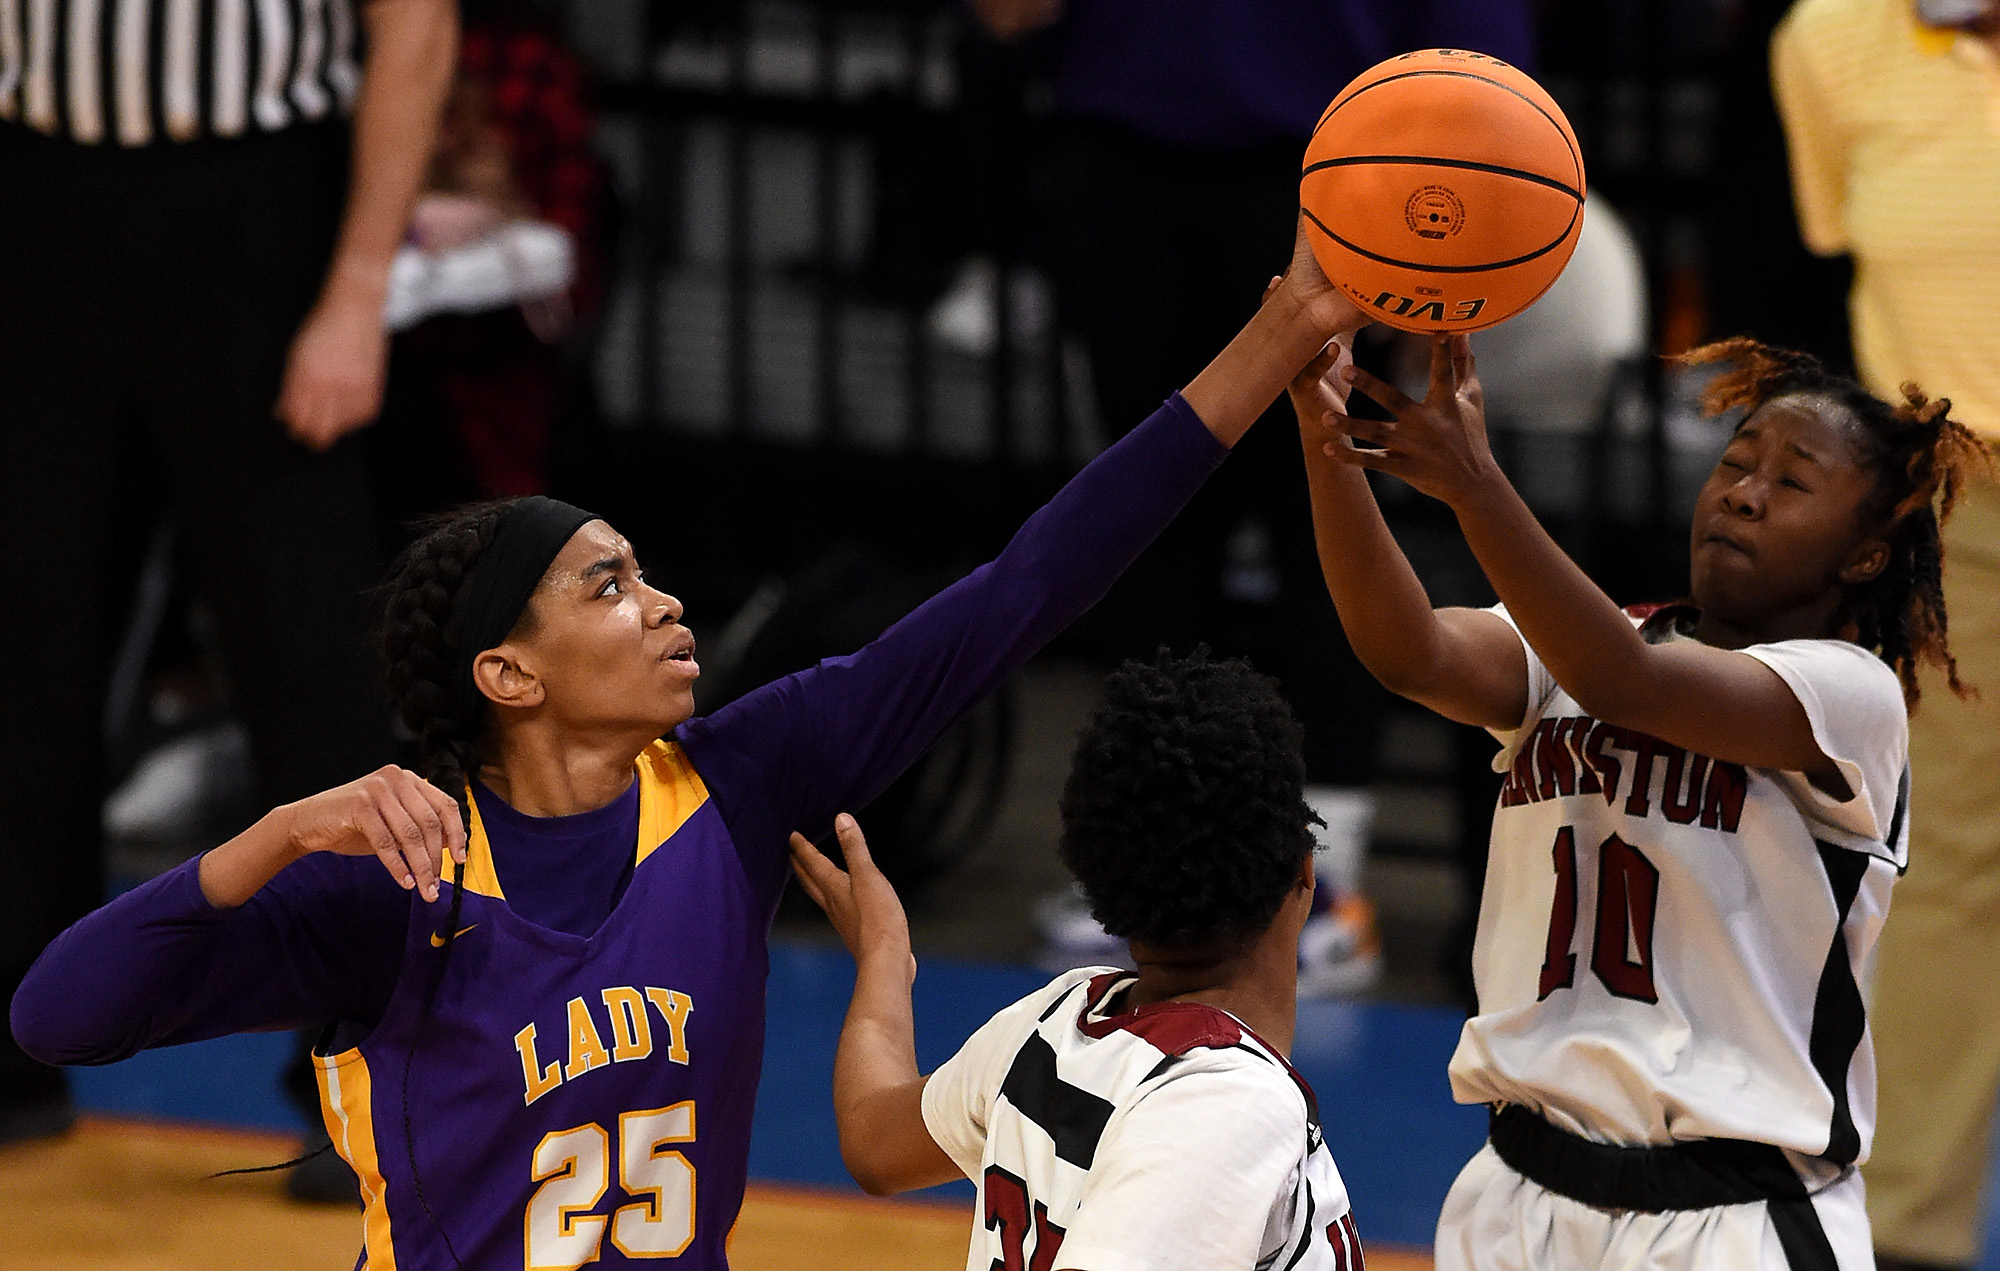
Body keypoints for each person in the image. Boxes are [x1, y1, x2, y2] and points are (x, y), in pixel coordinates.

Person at [8, 227, 1366, 1269]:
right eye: (606, 585)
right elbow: (56, 1016)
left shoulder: (738, 780)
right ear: (509, 673)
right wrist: (273, 834)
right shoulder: (397, 874)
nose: (661, 602)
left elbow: (1025, 589)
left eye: (645, 571)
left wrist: (1275, 335)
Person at [1286, 331, 1988, 1267]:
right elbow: (1409, 652)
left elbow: (1628, 686)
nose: (1743, 492)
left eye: (1791, 482)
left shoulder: (1848, 696)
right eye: (1736, 463)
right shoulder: (1584, 640)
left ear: (1864, 557)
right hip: (1519, 1197)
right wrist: (1326, 443)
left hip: (1731, 1220)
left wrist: (1477, 485)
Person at [972, 0, 1538, 987]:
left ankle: (1325, 874)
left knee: (1332, 512)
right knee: (1145, 523)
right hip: (1121, 148)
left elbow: (1482, 43)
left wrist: (1442, 221)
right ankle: (1151, 864)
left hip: (1348, 170)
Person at [0, 0, 455, 1146]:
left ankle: (366, 1071)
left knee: (309, 660)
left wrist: (358, 291)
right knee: (23, 646)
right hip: (37, 191)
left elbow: (415, 24)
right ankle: (14, 1041)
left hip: (255, 210)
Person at [788, 650, 1365, 1270]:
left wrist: (883, 956)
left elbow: (875, 1141)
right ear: (1305, 871)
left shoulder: (1058, 1020)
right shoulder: (1226, 1102)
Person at [1772, 3, 2000, 1267]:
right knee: (1945, 863)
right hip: (1958, 494)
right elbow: (1828, 233)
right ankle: (1904, 1236)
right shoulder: (1831, 37)